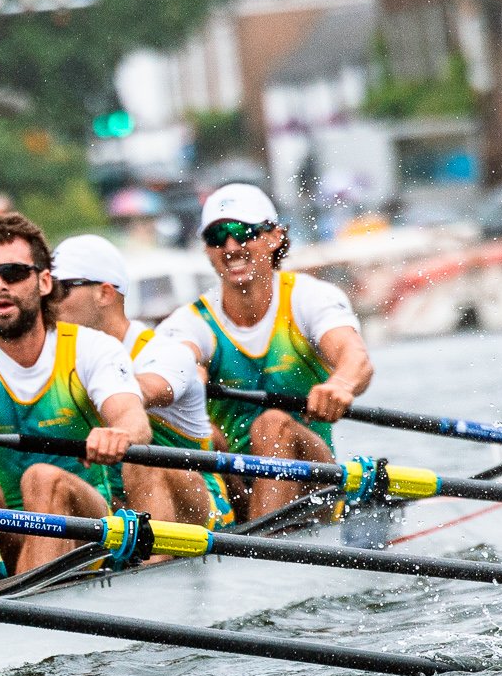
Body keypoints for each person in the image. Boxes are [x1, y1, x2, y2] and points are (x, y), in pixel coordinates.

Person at [0, 210, 173, 572]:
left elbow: (131, 416)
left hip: (86, 524)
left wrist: (120, 432)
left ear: (45, 282)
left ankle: (20, 613)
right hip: (3, 535)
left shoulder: (90, 348)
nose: (0, 285)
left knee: (42, 478)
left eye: (15, 273)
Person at [155, 184, 374, 521]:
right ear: (207, 250)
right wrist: (185, 384)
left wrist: (341, 385)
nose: (231, 246)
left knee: (271, 425)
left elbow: (354, 356)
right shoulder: (190, 322)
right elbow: (178, 368)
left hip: (314, 484)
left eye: (243, 232)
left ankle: (260, 552)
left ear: (275, 237)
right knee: (202, 437)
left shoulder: (307, 298)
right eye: (217, 236)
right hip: (235, 488)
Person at [47, 235, 234, 527]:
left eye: (60, 290)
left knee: (140, 460)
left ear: (105, 294)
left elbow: (145, 389)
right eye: (44, 292)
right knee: (43, 479)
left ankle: (153, 565)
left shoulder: (165, 352)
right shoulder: (57, 364)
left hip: (201, 512)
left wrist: (114, 399)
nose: (49, 303)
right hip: (118, 511)